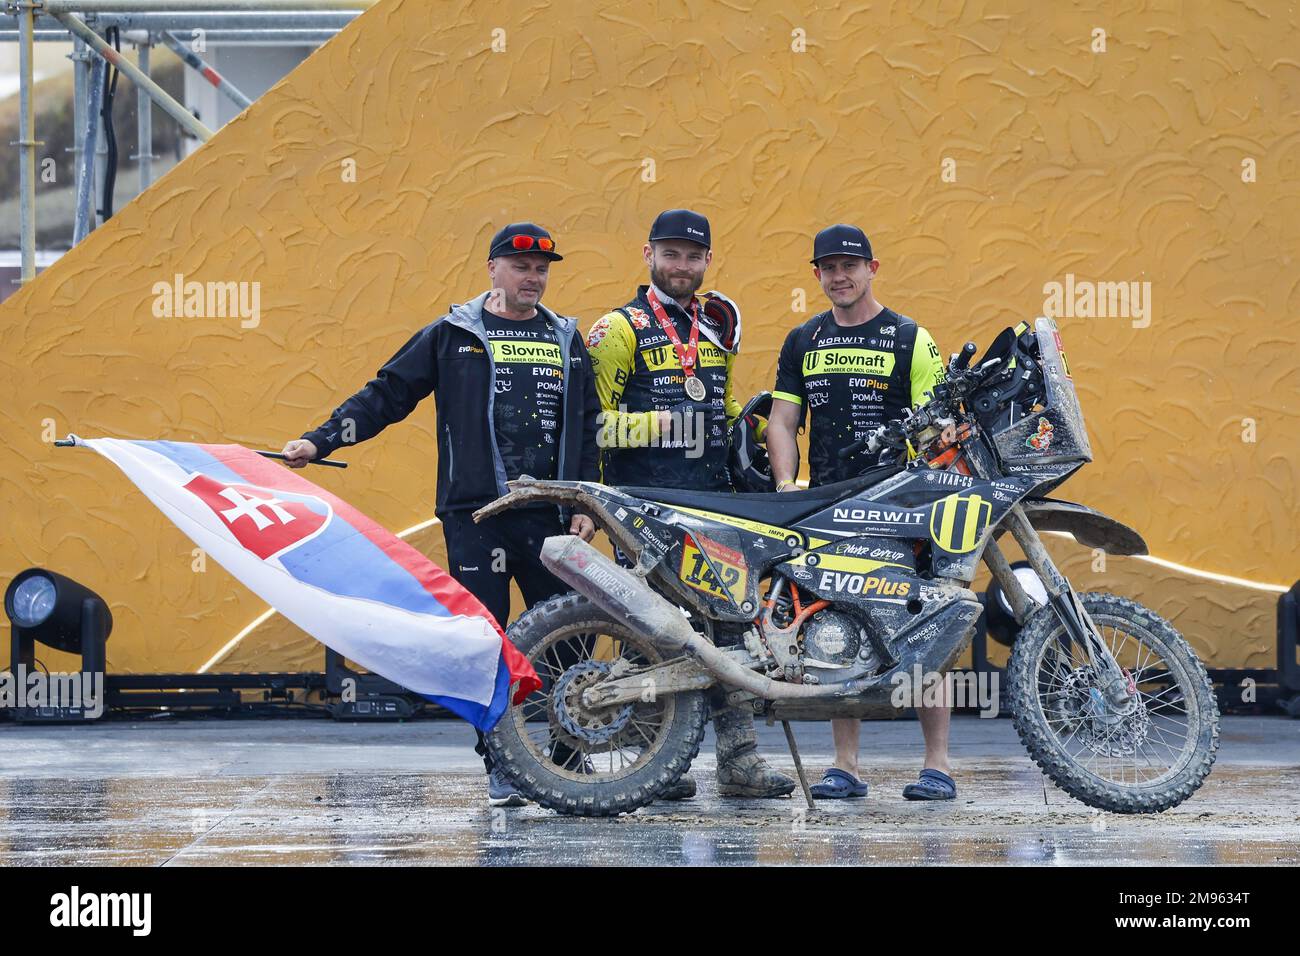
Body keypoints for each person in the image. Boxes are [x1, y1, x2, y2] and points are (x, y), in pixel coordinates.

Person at [281, 221, 601, 807]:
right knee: (485, 643)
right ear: (492, 268)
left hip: (549, 514)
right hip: (476, 515)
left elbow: (589, 430)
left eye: (542, 269)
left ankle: (568, 760)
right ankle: (502, 764)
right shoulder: (452, 334)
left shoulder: (566, 338)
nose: (533, 277)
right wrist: (320, 441)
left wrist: (588, 504)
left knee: (567, 639)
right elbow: (387, 395)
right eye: (521, 266)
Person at [584, 208, 796, 801]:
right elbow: (594, 428)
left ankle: (741, 761)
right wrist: (669, 424)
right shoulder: (616, 329)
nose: (682, 265)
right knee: (652, 630)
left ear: (707, 261)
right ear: (648, 255)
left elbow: (721, 408)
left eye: (693, 255)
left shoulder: (717, 324)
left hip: (713, 505)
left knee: (730, 626)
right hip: (644, 509)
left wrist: (744, 440)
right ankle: (657, 759)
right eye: (670, 254)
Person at [764, 223, 957, 801]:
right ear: (816, 274)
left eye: (850, 265)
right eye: (828, 266)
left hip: (902, 506)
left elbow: (937, 426)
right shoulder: (803, 339)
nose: (839, 276)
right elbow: (782, 421)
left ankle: (939, 765)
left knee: (925, 627)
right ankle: (845, 766)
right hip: (828, 503)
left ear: (873, 268)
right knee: (835, 623)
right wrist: (785, 486)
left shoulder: (910, 338)